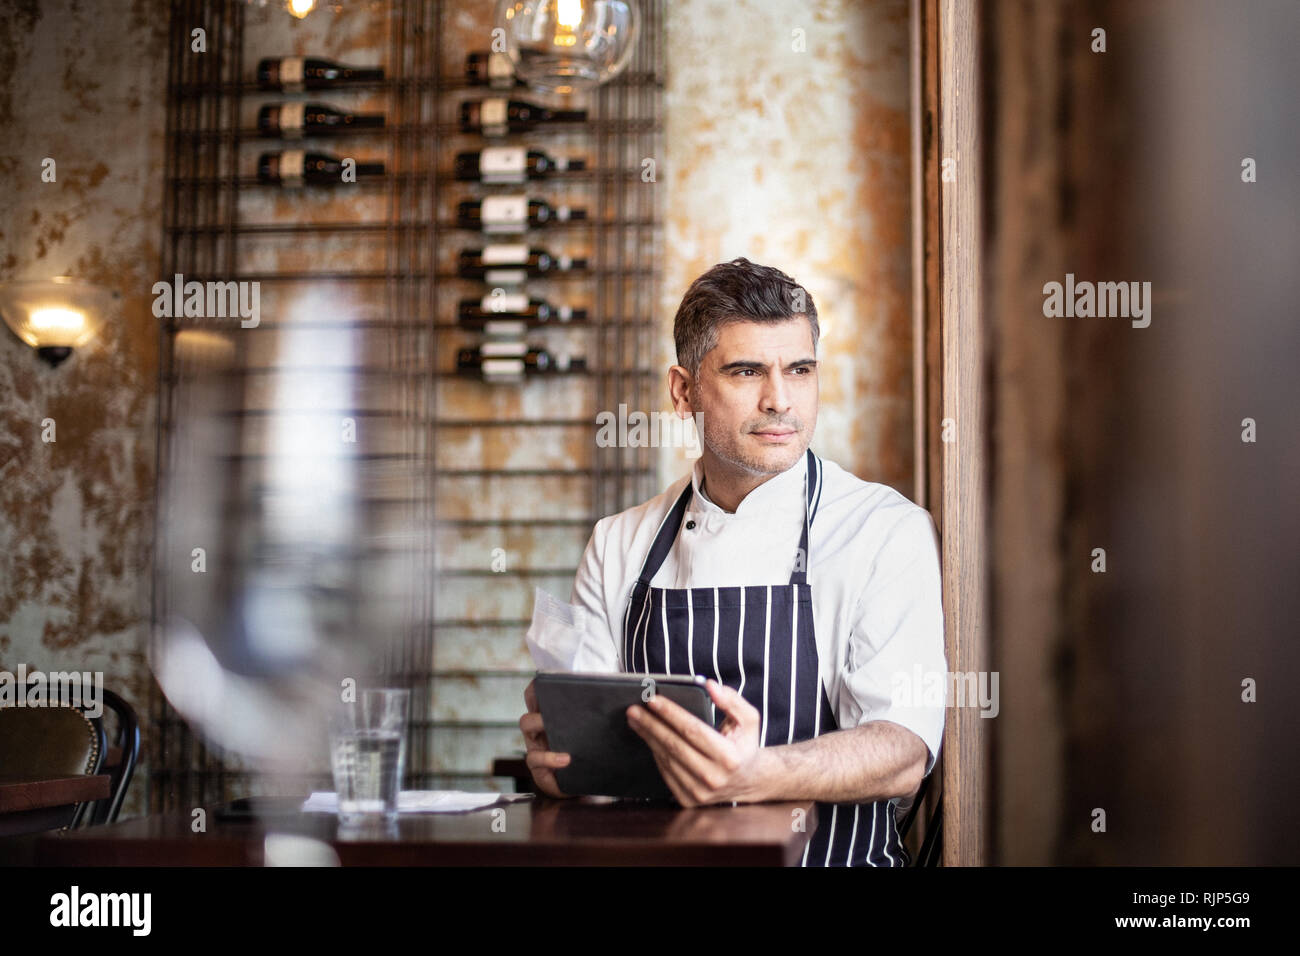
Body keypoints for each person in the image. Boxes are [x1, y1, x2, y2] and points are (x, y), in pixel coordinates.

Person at [520, 257, 947, 866]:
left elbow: (902, 751)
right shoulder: (619, 543)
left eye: (799, 370)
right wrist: (560, 765)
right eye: (747, 371)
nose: (779, 400)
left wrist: (754, 773)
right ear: (683, 390)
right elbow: (590, 763)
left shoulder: (885, 531)